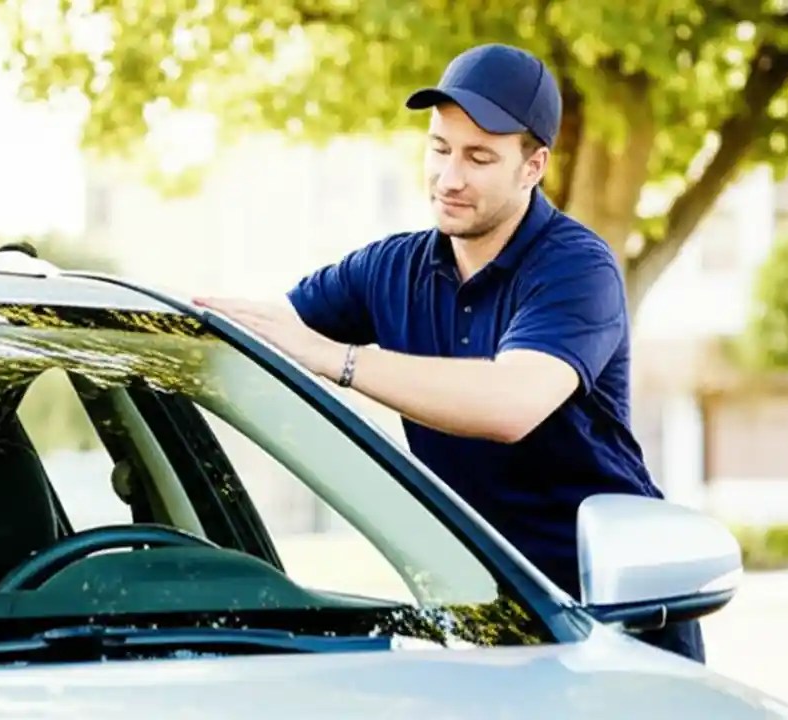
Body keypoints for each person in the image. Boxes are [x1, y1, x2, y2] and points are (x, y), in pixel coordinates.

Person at [194, 43, 705, 663]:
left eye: (479, 157)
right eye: (439, 149)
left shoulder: (576, 266)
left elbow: (511, 404)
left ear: (533, 166)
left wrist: (343, 361)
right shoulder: (390, 268)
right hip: (481, 626)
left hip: (612, 624)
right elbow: (265, 330)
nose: (450, 178)